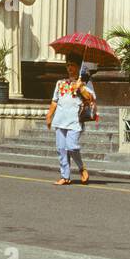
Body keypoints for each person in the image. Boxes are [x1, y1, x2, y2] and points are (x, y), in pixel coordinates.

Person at [45, 54, 95, 186]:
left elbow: (90, 98)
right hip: (60, 119)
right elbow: (55, 101)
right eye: (67, 65)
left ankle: (81, 168)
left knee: (72, 147)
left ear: (79, 67)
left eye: (72, 65)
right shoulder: (61, 83)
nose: (69, 68)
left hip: (75, 120)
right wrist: (49, 115)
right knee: (61, 148)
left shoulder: (85, 82)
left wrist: (81, 88)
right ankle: (65, 176)